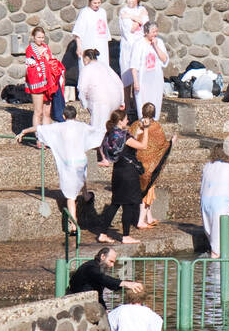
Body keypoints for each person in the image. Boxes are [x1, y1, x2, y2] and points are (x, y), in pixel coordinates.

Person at [22, 103, 102, 234]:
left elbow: (40, 128)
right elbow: (98, 132)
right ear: (76, 116)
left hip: (69, 163)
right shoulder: (82, 126)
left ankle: (74, 225)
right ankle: (86, 195)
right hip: (81, 161)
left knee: (71, 197)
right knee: (81, 177)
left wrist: (24, 131)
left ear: (64, 116)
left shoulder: (59, 127)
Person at [97, 108, 149, 244]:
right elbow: (143, 146)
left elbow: (122, 149)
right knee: (129, 204)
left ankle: (102, 233)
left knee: (115, 203)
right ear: (120, 121)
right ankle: (126, 236)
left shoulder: (111, 134)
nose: (128, 120)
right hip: (128, 173)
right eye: (126, 119)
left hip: (118, 172)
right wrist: (147, 130)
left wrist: (135, 134)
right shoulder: (124, 136)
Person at [77, 48, 125, 161]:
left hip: (100, 99)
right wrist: (122, 100)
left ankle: (103, 157)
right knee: (109, 125)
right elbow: (119, 82)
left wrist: (84, 104)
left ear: (86, 58)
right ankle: (112, 151)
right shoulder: (105, 66)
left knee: (99, 128)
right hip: (115, 97)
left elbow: (82, 88)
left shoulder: (87, 69)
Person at [134, 102, 176, 229]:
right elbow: (162, 145)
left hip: (137, 163)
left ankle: (149, 217)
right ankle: (141, 221)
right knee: (147, 192)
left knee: (148, 190)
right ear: (154, 113)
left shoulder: (136, 124)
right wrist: (171, 142)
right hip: (149, 166)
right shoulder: (155, 127)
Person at [200, 144, 229, 259]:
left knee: (210, 230)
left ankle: (214, 253)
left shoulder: (207, 166)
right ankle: (217, 262)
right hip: (221, 203)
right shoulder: (228, 167)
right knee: (219, 232)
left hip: (206, 202)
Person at [67, 246, 144, 309]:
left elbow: (104, 287)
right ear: (103, 256)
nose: (112, 265)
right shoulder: (90, 267)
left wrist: (105, 309)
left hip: (86, 303)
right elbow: (103, 279)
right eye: (111, 261)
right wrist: (125, 283)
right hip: (77, 305)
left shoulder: (97, 267)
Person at [22, 26, 59, 137]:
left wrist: (47, 57)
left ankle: (47, 137)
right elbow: (31, 65)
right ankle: (39, 137)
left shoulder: (46, 47)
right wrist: (42, 57)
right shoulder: (30, 49)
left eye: (42, 37)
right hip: (37, 84)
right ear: (33, 37)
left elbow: (50, 61)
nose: (41, 40)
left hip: (48, 82)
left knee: (47, 112)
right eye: (39, 37)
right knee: (38, 111)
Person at [117, 0, 150, 108]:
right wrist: (139, 20)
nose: (130, 0)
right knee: (127, 76)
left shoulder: (142, 9)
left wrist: (134, 18)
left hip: (140, 46)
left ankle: (138, 104)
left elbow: (146, 25)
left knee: (139, 76)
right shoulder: (123, 11)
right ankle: (127, 104)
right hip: (128, 46)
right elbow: (129, 29)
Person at [131, 21, 169, 122]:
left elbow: (165, 59)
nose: (155, 34)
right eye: (153, 32)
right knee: (142, 101)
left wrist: (155, 46)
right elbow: (134, 65)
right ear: (146, 32)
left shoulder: (159, 42)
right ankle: (142, 121)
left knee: (155, 100)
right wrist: (135, 81)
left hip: (156, 79)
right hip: (143, 80)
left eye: (156, 31)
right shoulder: (138, 44)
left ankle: (154, 121)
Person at [73, 0, 111, 73]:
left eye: (99, 2)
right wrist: (78, 46)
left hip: (102, 46)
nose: (97, 5)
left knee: (103, 69)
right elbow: (78, 31)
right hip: (88, 46)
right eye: (94, 3)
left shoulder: (102, 12)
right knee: (89, 70)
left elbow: (105, 31)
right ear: (90, 2)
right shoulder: (84, 12)